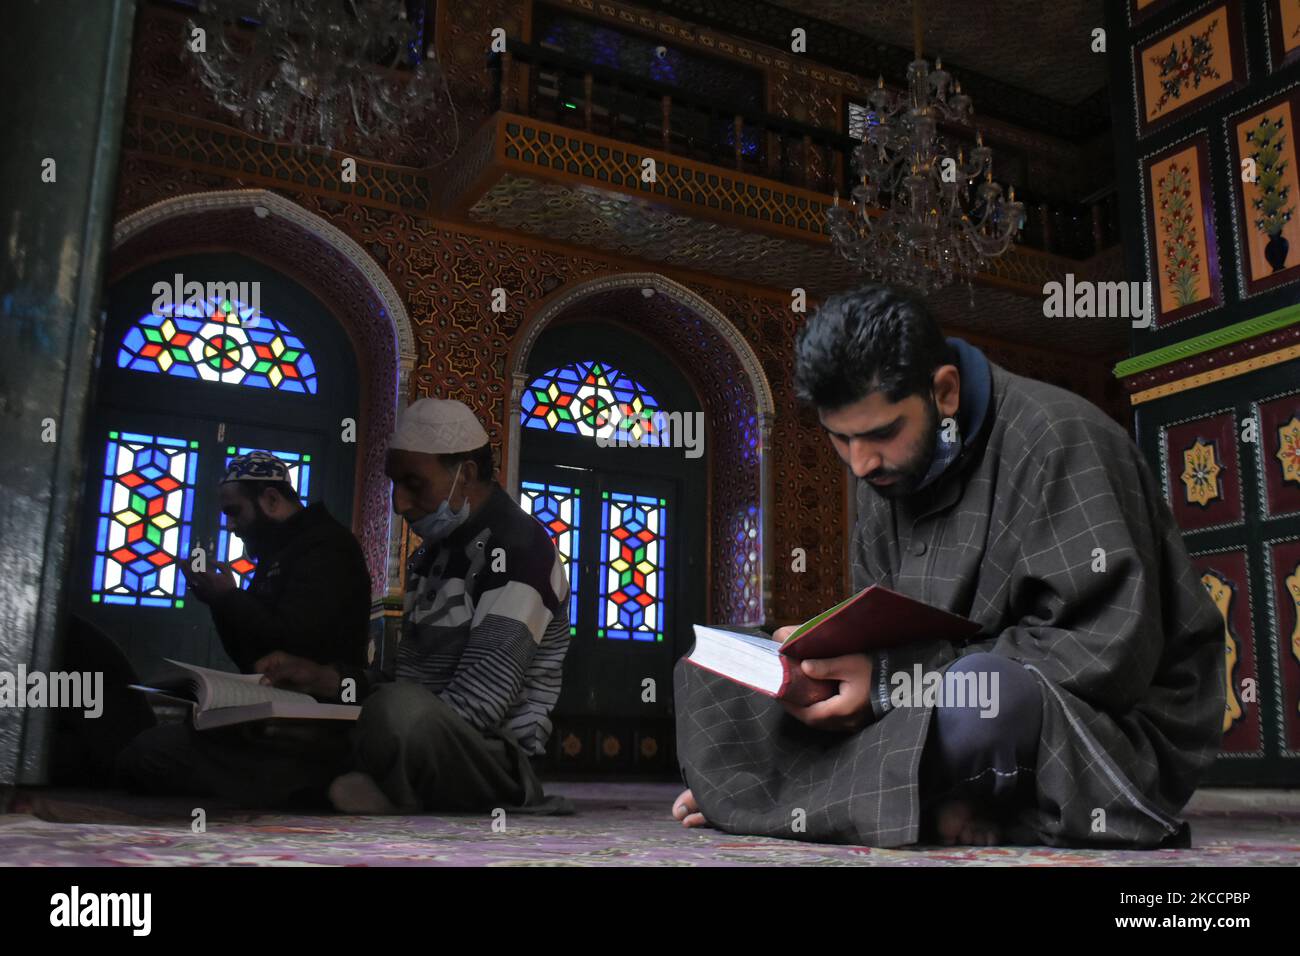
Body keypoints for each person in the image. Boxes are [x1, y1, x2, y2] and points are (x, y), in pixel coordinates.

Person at [672, 283, 1224, 849]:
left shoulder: (1061, 438)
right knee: (716, 668)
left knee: (981, 698)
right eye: (840, 439)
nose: (860, 462)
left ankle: (770, 797)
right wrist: (829, 664)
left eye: (883, 433)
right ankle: (889, 803)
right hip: (924, 700)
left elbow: (1108, 656)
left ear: (946, 391)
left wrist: (890, 683)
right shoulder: (883, 474)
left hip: (1101, 725)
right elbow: (885, 626)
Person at [255, 399, 572, 814]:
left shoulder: (521, 549)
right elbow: (406, 680)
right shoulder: (430, 557)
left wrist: (357, 731)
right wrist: (327, 682)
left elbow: (478, 703)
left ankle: (361, 784)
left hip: (493, 760)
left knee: (398, 714)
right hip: (416, 732)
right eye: (393, 484)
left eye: (413, 483)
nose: (399, 503)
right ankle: (364, 785)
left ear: (466, 476)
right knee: (208, 745)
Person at [114, 451, 371, 806]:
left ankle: (315, 788)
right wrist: (220, 601)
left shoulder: (325, 547)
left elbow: (297, 643)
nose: (231, 527)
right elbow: (253, 655)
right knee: (146, 748)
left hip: (310, 727)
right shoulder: (277, 552)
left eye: (234, 513)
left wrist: (229, 599)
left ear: (270, 499)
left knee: (149, 755)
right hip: (275, 718)